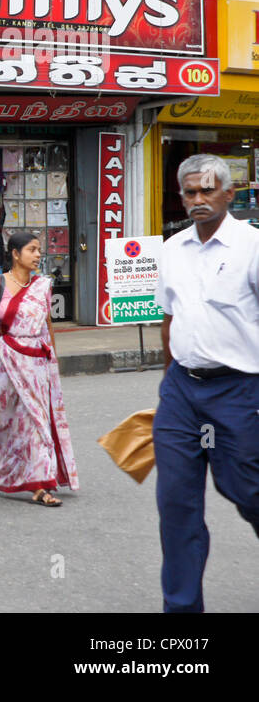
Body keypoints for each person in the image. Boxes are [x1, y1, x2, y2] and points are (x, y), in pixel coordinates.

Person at [152, 153, 259, 613]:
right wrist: (167, 384)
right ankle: (182, 610)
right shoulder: (173, 249)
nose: (197, 200)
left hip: (240, 390)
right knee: (176, 506)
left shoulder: (252, 247)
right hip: (181, 391)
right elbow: (169, 318)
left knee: (247, 490)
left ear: (228, 194)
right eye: (189, 192)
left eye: (206, 191)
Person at [0, 231, 78, 506]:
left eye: (39, 250)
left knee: (36, 421)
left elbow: (46, 324)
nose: (38, 255)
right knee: (0, 422)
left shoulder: (42, 285)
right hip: (3, 363)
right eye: (32, 250)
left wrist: (54, 360)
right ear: (15, 254)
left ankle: (40, 483)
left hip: (37, 363)